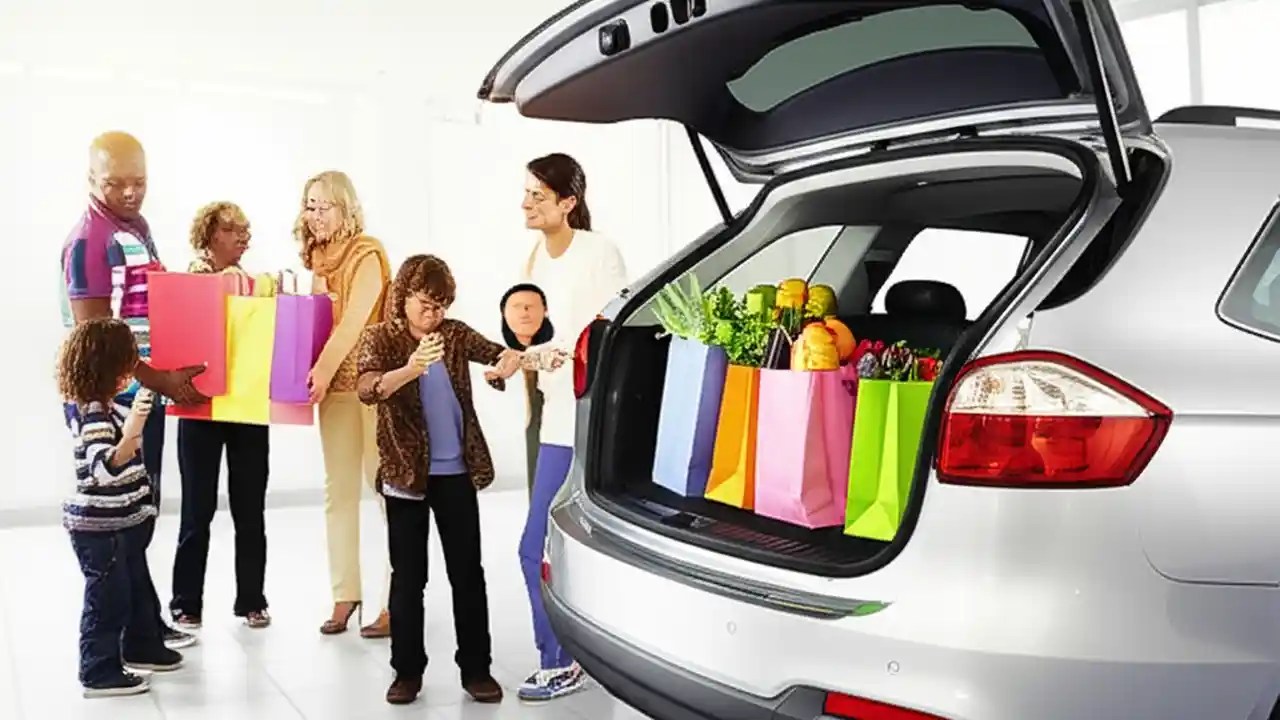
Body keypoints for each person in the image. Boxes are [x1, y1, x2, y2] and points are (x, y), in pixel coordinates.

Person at [354, 255, 525, 705]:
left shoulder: (453, 333)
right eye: (427, 304)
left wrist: (506, 364)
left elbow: (501, 352)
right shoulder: (380, 337)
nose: (435, 315)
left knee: (468, 573)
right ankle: (406, 672)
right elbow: (368, 388)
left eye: (441, 305)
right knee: (409, 579)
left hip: (456, 472)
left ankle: (477, 670)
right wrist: (412, 366)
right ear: (404, 297)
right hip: (404, 475)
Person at [59, 130, 202, 651]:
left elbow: (150, 307)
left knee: (141, 511)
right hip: (112, 401)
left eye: (138, 182)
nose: (128, 193)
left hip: (145, 394)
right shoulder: (87, 240)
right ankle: (131, 635)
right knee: (118, 521)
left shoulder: (137, 227)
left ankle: (144, 622)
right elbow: (96, 340)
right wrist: (158, 380)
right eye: (114, 183)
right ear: (90, 180)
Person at [515, 153, 629, 701]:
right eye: (527, 194)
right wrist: (516, 359)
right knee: (552, 544)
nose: (527, 204)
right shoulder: (537, 255)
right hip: (547, 413)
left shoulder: (598, 252)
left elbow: (608, 331)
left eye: (539, 195)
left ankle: (561, 661)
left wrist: (554, 356)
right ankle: (575, 653)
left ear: (568, 202)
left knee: (535, 545)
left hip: (580, 419)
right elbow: (533, 332)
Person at [57, 318, 185, 698]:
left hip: (117, 525)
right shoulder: (94, 412)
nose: (131, 373)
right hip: (101, 529)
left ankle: (137, 647)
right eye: (127, 365)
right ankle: (98, 670)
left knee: (128, 591)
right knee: (106, 602)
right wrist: (134, 429)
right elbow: (104, 467)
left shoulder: (104, 407)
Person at [296, 170, 395, 638]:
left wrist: (319, 368)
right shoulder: (313, 257)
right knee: (338, 492)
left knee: (386, 488)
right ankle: (344, 594)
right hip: (332, 387)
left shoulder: (367, 253)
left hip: (374, 386)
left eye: (324, 206)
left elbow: (355, 321)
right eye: (309, 205)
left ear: (346, 207)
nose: (314, 215)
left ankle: (397, 597)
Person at [169, 202, 271, 630]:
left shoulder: (256, 286)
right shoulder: (191, 279)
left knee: (250, 509)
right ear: (210, 235)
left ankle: (252, 599)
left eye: (245, 230)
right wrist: (220, 287)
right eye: (232, 230)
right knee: (197, 509)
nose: (243, 238)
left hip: (247, 406)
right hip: (200, 406)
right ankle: (185, 602)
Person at [490, 283, 555, 496]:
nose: (524, 312)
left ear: (545, 311)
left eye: (531, 306)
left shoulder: (555, 350)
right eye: (517, 306)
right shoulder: (494, 352)